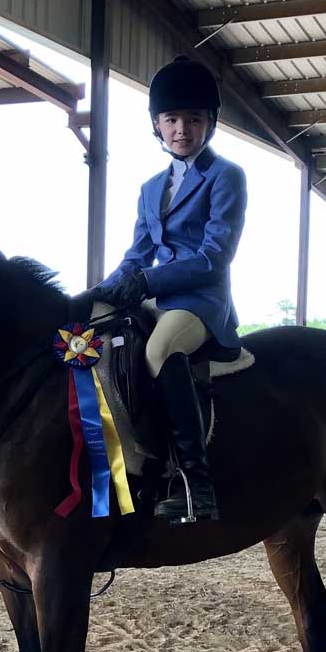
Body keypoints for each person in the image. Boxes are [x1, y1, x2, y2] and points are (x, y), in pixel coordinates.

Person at [89, 55, 247, 523]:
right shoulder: (149, 187)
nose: (183, 129)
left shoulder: (226, 176)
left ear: (209, 124)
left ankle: (196, 484)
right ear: (157, 125)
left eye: (194, 119)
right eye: (172, 119)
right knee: (90, 334)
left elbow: (213, 256)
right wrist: (97, 292)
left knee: (159, 350)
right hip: (155, 293)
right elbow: (136, 255)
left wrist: (147, 281)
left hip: (201, 300)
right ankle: (120, 464)